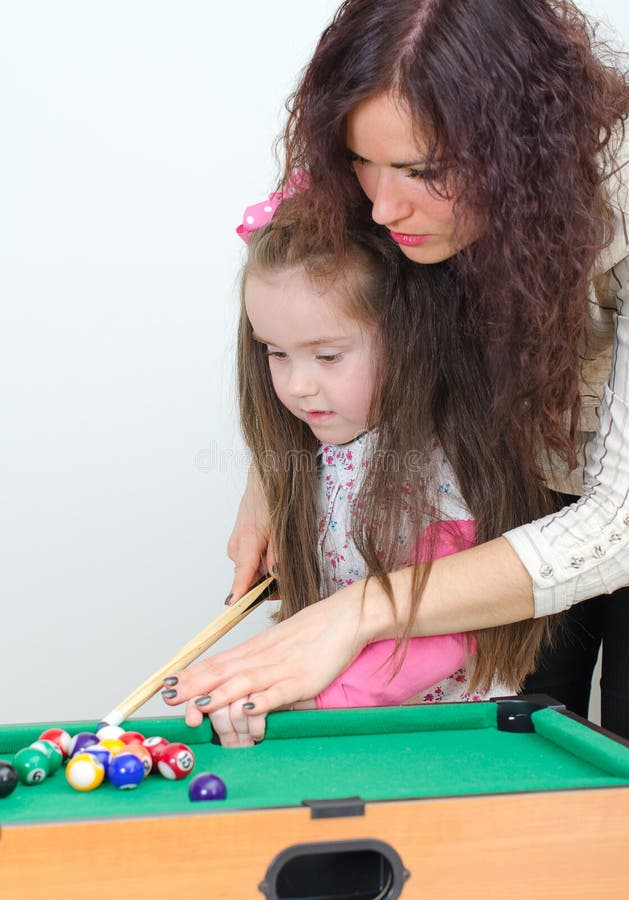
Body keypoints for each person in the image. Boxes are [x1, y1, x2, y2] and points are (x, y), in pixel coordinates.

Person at [163, 0, 629, 738]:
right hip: (524, 491)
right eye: (360, 163)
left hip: (612, 511)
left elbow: (617, 526)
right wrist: (272, 472)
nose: (380, 208)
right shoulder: (384, 179)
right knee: (525, 746)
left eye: (422, 171)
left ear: (525, 152)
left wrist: (352, 616)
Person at [169, 191, 521, 745]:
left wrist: (312, 699)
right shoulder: (320, 441)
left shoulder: (438, 468)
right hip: (355, 733)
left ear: (409, 337)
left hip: (449, 737)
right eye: (275, 353)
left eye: (327, 356)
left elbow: (453, 631)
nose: (296, 385)